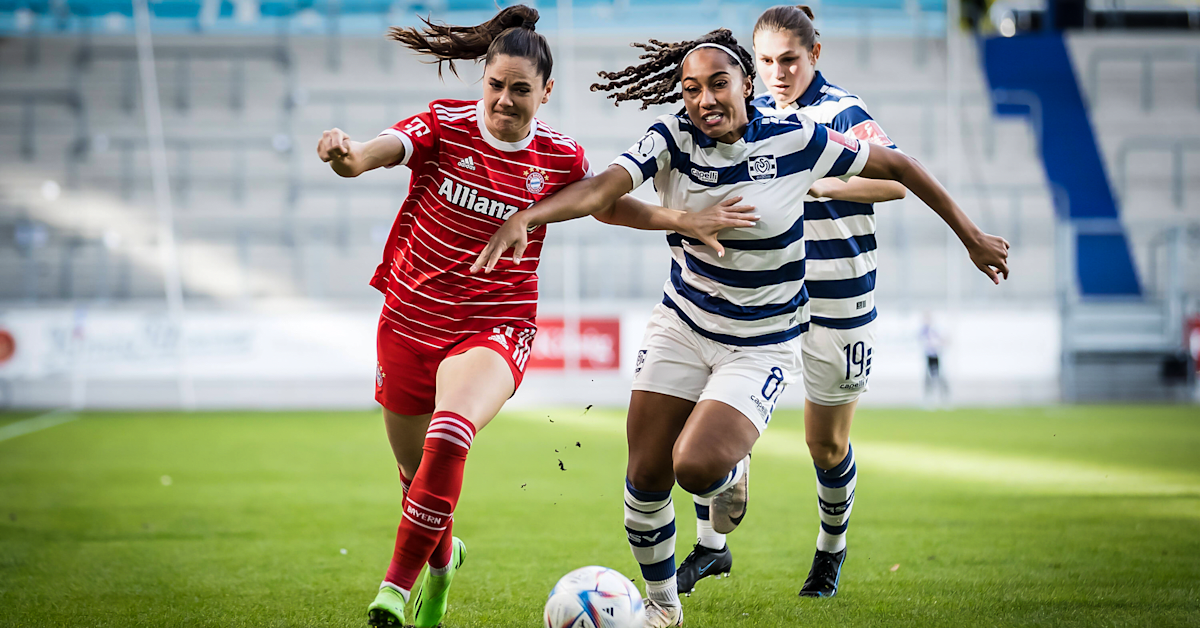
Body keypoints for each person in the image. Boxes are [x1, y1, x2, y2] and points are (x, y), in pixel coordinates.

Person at [473, 27, 1009, 627]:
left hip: (762, 342)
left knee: (696, 466)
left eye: (718, 84)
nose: (704, 100)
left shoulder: (798, 139)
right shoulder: (670, 138)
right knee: (644, 476)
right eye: (691, 88)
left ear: (747, 87)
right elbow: (602, 190)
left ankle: (729, 472)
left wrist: (972, 237)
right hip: (682, 322)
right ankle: (662, 610)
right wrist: (529, 215)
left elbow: (900, 167)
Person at [675, 4, 1010, 600]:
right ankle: (712, 543)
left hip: (839, 298)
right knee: (709, 412)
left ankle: (830, 551)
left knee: (824, 444)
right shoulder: (743, 115)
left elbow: (894, 179)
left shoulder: (842, 111)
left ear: (815, 56)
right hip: (771, 300)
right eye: (768, 62)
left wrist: (821, 179)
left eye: (790, 61)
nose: (778, 73)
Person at [315, 7, 592, 627]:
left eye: (522, 89)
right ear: (483, 81)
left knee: (451, 433)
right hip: (409, 322)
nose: (505, 100)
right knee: (417, 480)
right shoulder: (443, 124)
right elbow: (372, 155)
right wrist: (347, 152)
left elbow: (601, 198)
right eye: (497, 85)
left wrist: (681, 219)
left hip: (496, 327)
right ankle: (442, 568)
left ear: (546, 92)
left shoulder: (562, 157)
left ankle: (393, 589)